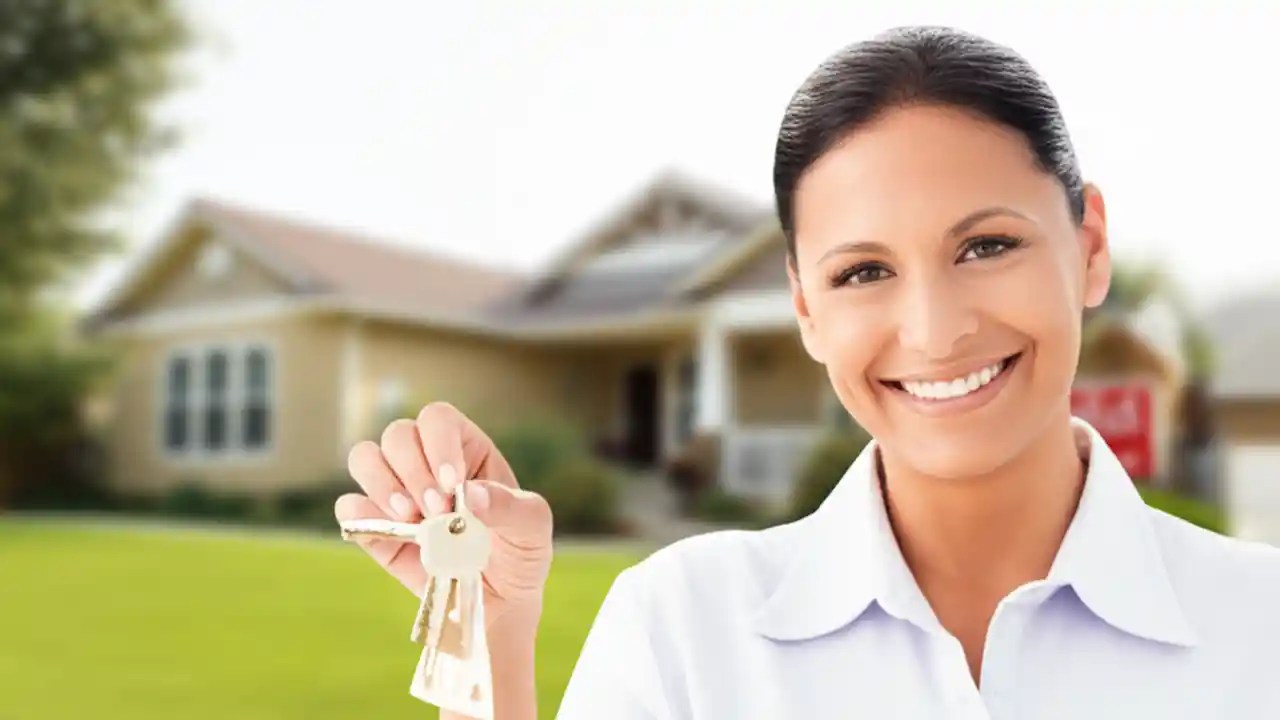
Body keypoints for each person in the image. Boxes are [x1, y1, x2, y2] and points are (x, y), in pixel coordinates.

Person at [335, 25, 1280, 719]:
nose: (935, 328)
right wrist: (489, 632)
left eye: (987, 245)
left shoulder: (1261, 627)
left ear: (1091, 245)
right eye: (863, 272)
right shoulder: (687, 624)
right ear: (804, 309)